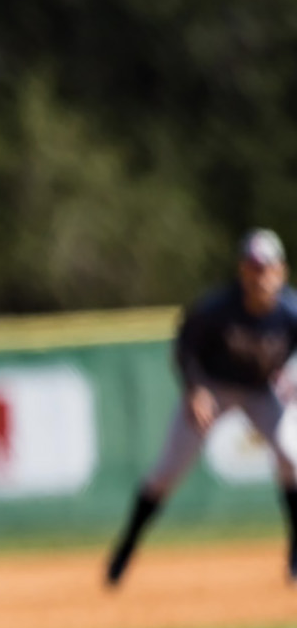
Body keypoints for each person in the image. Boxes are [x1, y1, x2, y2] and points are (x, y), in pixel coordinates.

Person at [106, 228, 297, 585]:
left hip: (259, 392)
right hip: (213, 388)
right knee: (167, 471)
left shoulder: (290, 312)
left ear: (281, 271)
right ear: (242, 271)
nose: (261, 275)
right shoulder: (217, 309)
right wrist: (195, 390)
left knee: (292, 456)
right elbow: (184, 348)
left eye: (268, 267)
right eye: (254, 267)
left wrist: (289, 379)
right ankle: (124, 551)